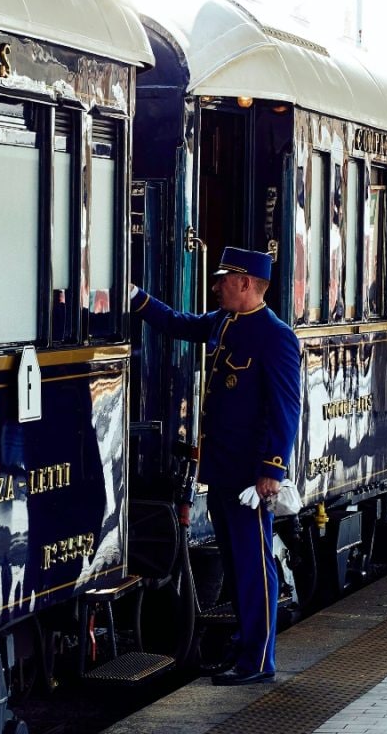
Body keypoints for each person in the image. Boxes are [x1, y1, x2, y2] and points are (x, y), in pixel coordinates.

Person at [130, 246, 301, 686]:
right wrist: (137, 298)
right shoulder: (225, 322)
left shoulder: (275, 336)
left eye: (223, 279)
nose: (216, 285)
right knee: (236, 561)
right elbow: (176, 323)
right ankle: (246, 651)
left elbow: (286, 409)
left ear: (245, 283)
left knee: (252, 565)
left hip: (249, 475)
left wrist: (272, 471)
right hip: (222, 470)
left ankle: (259, 660)